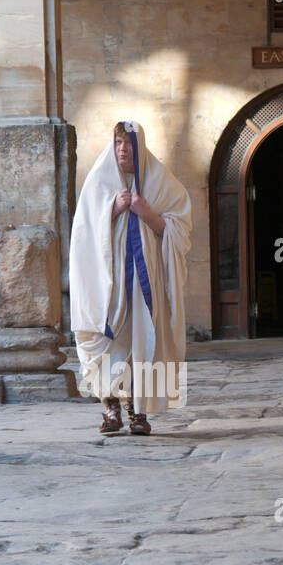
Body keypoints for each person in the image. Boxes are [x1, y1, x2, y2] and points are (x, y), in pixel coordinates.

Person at [69, 120, 192, 435]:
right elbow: (81, 233)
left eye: (129, 144)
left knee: (144, 340)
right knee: (106, 341)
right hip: (106, 283)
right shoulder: (98, 181)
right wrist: (111, 209)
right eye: (119, 143)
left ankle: (139, 411)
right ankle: (110, 408)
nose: (123, 149)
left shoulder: (158, 179)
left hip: (144, 283)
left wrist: (145, 212)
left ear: (140, 147)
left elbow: (179, 230)